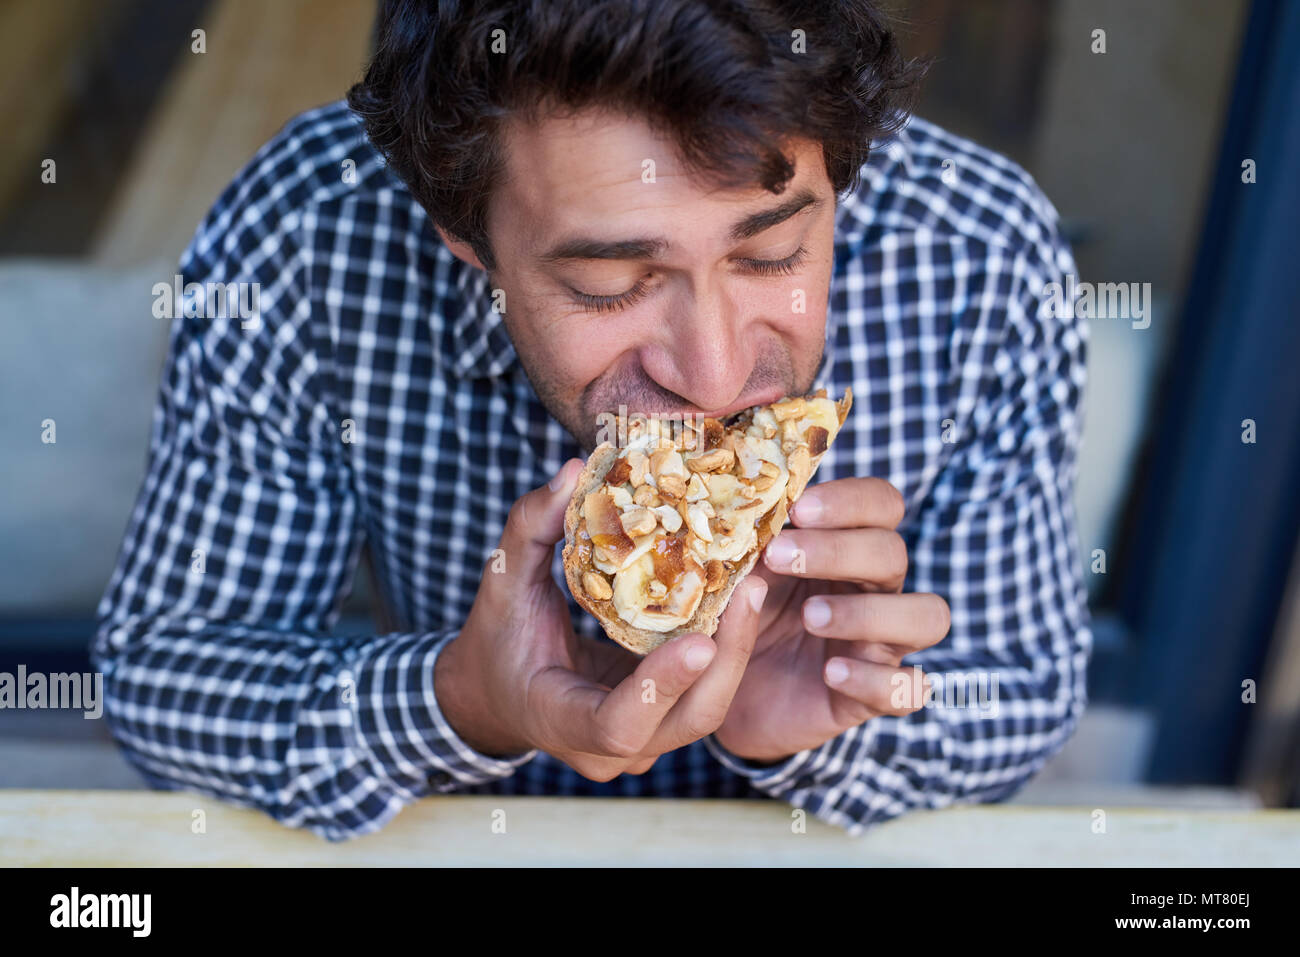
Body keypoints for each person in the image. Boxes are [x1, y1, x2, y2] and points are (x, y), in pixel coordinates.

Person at [92, 0, 1091, 841]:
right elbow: (164, 673)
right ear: (463, 237)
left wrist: (820, 728)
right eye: (612, 283)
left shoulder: (977, 254)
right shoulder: (311, 232)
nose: (714, 373)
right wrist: (458, 700)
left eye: (773, 255)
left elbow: (1021, 696)